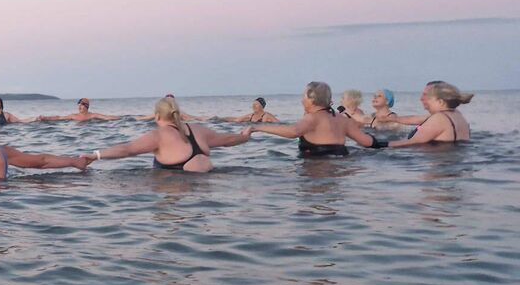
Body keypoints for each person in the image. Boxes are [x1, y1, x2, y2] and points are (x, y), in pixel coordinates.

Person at [86, 97, 252, 172]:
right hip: (206, 187)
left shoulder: (158, 136)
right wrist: (245, 136)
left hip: (180, 188)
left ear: (157, 116)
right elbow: (228, 139)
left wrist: (95, 156)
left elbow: (127, 150)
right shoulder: (199, 129)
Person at [247, 82, 382, 156]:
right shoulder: (342, 119)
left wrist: (257, 128)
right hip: (341, 169)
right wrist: (393, 144)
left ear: (312, 100)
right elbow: (368, 142)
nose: (301, 100)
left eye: (303, 97)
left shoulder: (312, 118)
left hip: (316, 173)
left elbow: (293, 131)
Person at [383, 81, 472, 147]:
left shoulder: (439, 118)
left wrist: (379, 144)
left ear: (440, 102)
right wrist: (394, 118)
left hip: (441, 161)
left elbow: (412, 142)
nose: (425, 101)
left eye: (429, 98)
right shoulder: (457, 115)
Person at [37, 98, 124, 122]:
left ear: (86, 107)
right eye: (78, 106)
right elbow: (59, 117)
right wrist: (46, 118)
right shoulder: (73, 116)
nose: (79, 108)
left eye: (81, 106)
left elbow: (106, 117)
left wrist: (120, 118)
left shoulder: (93, 115)